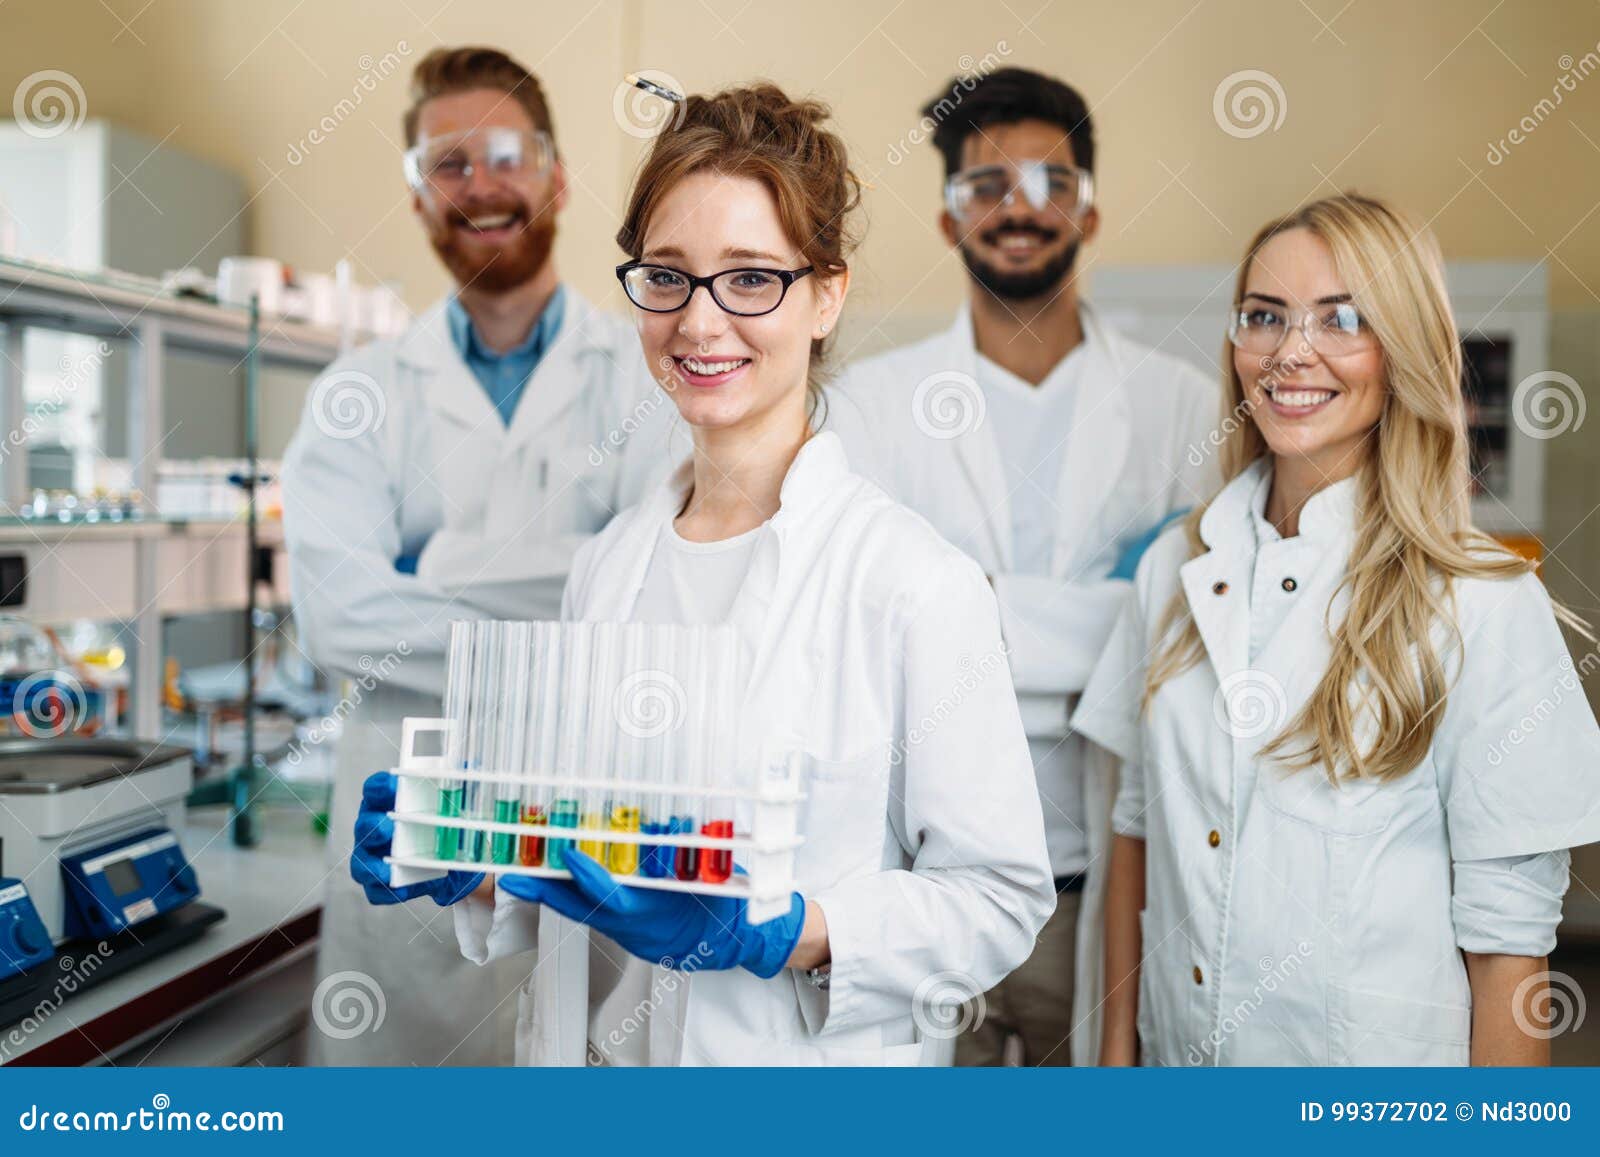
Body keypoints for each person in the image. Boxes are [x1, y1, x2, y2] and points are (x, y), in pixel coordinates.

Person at [353, 82, 1055, 1066]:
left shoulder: (913, 582)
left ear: (824, 295)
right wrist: (461, 856)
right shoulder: (609, 567)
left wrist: (789, 929)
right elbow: (590, 861)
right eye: (668, 275)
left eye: (750, 278)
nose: (700, 319)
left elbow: (996, 897)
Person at [1074, 192, 1600, 1066]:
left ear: (1404, 351)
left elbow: (1510, 944)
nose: (1291, 352)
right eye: (1264, 317)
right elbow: (1137, 837)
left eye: (1341, 318)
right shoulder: (1174, 566)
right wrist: (1117, 1076)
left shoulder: (1484, 602)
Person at [283, 46, 670, 1066]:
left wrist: (432, 564)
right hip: (404, 870)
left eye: (506, 154)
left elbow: (655, 607)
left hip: (584, 844)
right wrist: (574, 595)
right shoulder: (358, 393)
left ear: (557, 175)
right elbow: (332, 617)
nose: (480, 185)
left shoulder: (647, 377)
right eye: (446, 164)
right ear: (417, 199)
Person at [826, 67, 1219, 1066]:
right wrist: (1101, 628)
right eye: (985, 187)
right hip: (917, 876)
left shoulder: (1181, 407)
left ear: (1089, 207)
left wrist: (974, 620)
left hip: (1101, 875)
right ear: (949, 220)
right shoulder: (869, 406)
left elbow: (1190, 635)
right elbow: (861, 631)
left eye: (1048, 181)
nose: (1018, 207)